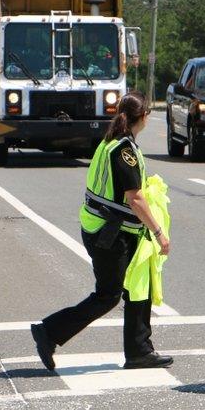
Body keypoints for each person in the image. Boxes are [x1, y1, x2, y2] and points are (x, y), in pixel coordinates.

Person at [31, 91, 173, 371]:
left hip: (110, 230)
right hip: (110, 234)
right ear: (143, 116)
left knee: (137, 286)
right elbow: (135, 198)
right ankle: (50, 331)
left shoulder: (111, 143)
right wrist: (158, 232)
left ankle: (139, 350)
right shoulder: (124, 150)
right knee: (108, 295)